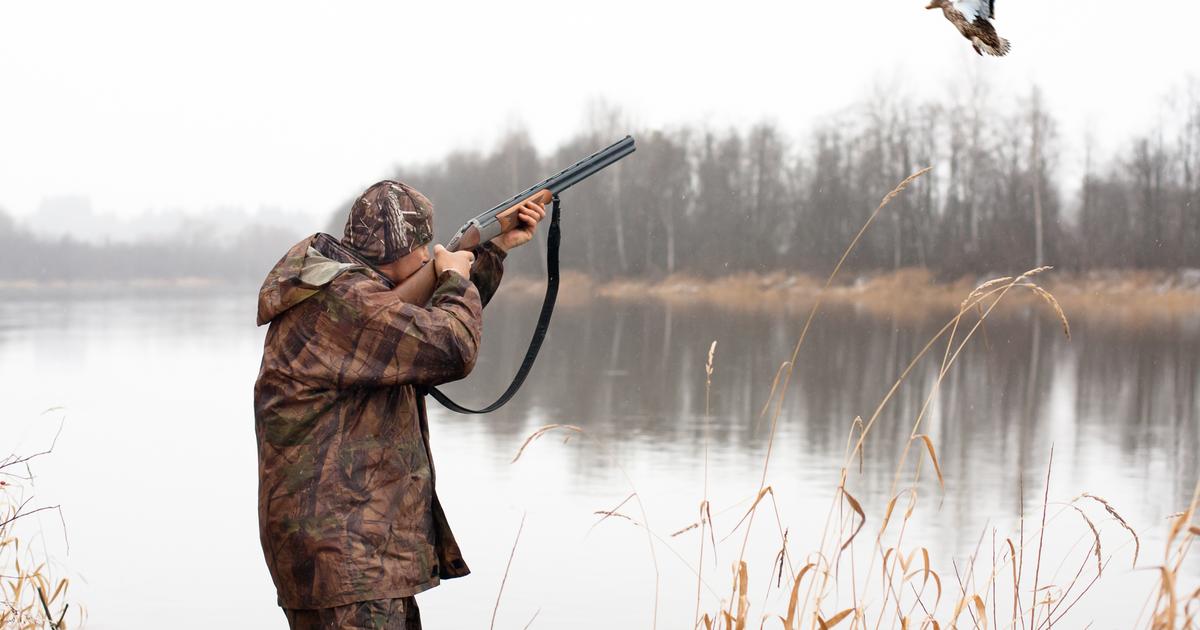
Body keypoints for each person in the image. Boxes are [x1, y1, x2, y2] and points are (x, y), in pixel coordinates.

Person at [253, 180, 546, 629]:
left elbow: (418, 330)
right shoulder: (346, 302)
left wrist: (493, 250)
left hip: (347, 559)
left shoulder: (341, 292)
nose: (430, 254)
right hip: (349, 561)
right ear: (397, 250)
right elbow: (451, 346)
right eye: (424, 245)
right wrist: (452, 275)